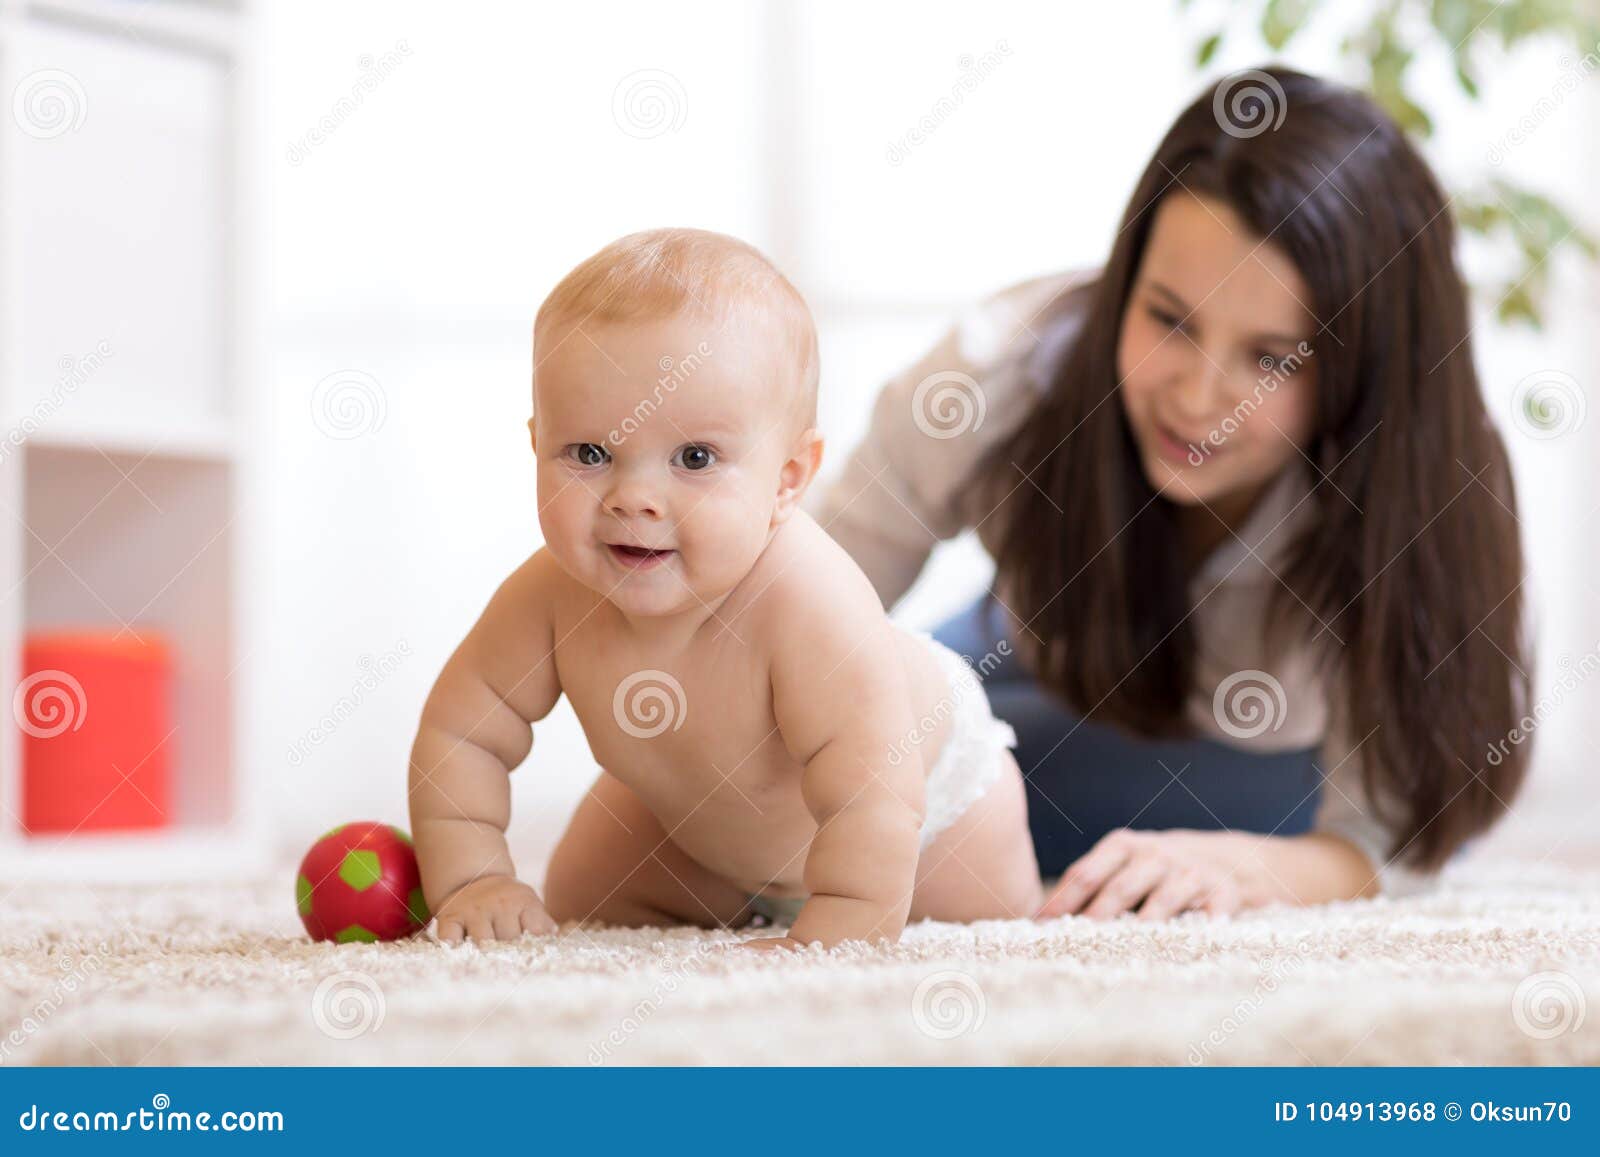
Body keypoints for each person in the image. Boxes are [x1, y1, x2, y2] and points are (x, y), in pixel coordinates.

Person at [811, 67, 1530, 920]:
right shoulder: (1002, 372)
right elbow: (801, 601)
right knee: (853, 746)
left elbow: (1404, 827)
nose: (1195, 396)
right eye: (1169, 320)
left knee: (943, 791)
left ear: (1360, 373)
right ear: (1125, 282)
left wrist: (1246, 867)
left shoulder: (1428, 483)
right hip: (1024, 650)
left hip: (1274, 768)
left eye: (1271, 358)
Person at [408, 227, 1041, 948]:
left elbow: (874, 787)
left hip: (928, 809)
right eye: (589, 452)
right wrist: (474, 879)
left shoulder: (810, 600)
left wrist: (843, 925)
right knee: (583, 892)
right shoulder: (548, 596)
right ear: (536, 444)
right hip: (701, 823)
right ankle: (742, 895)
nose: (634, 498)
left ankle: (857, 899)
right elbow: (462, 733)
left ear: (788, 480)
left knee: (988, 921)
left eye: (695, 459)